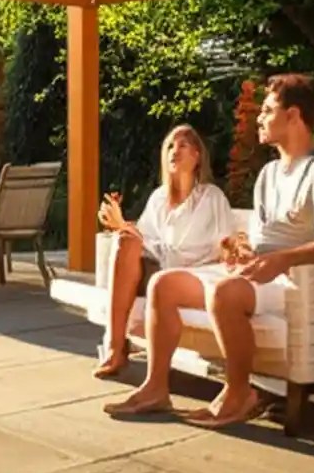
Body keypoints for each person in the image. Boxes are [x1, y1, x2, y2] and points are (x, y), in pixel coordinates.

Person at [103, 73, 314, 428]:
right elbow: (265, 241)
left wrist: (280, 260)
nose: (261, 118)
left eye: (267, 110)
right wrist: (241, 253)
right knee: (163, 285)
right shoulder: (268, 174)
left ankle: (240, 393)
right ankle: (155, 387)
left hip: (296, 284)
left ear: (294, 115)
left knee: (223, 293)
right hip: (259, 275)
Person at [91, 124, 233, 379]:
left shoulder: (212, 197)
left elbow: (222, 244)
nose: (174, 151)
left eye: (182, 145)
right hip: (155, 271)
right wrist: (121, 227)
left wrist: (125, 227)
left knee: (128, 237)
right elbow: (145, 242)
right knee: (125, 241)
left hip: (191, 276)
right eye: (169, 146)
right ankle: (115, 346)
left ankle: (120, 349)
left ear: (197, 155)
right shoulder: (158, 198)